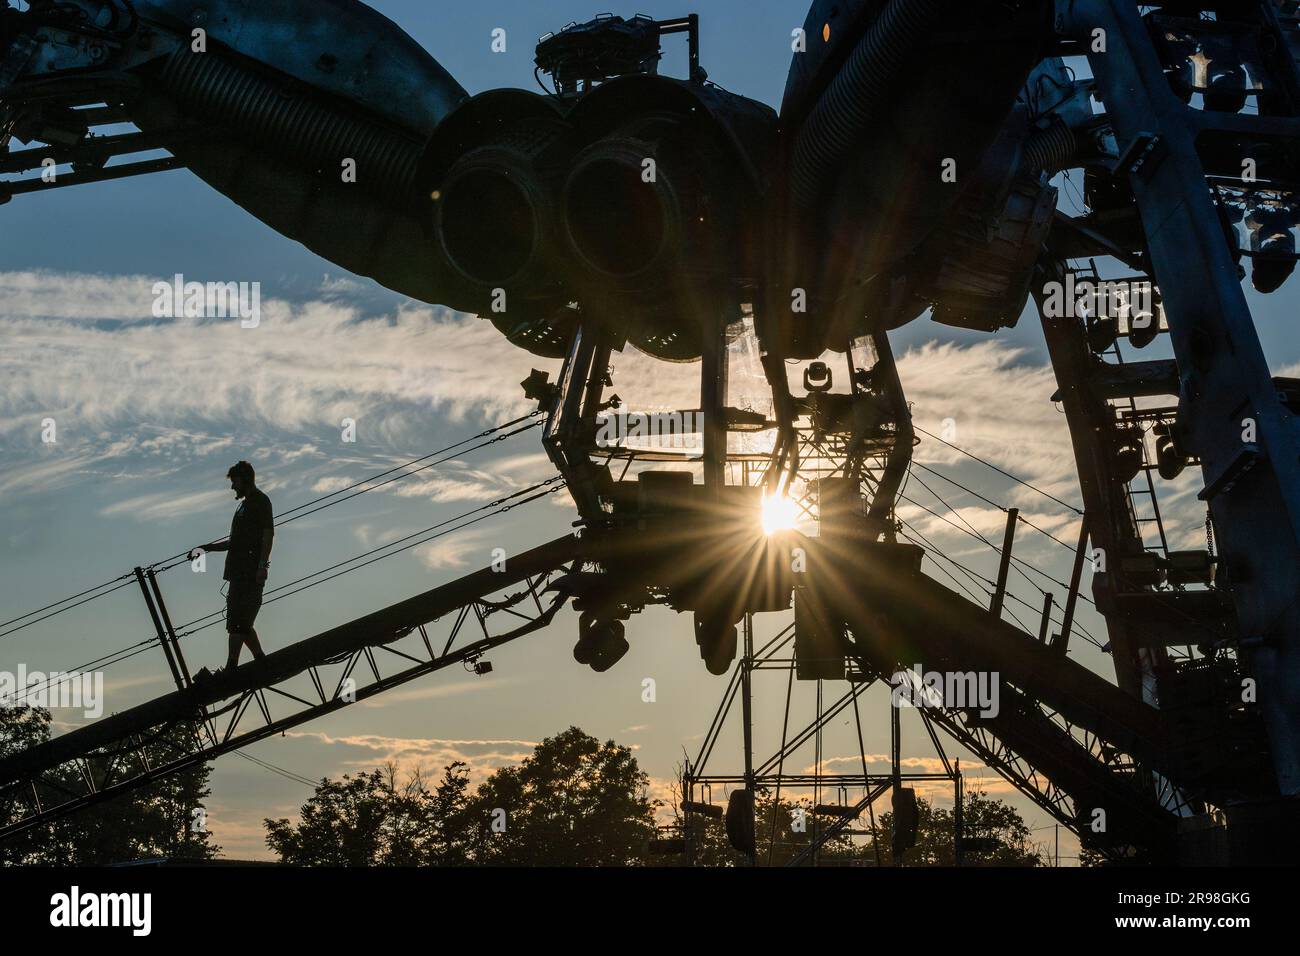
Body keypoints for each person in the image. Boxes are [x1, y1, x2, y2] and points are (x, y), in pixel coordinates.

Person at [192, 461, 274, 674]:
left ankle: (232, 666)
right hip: (238, 572)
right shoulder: (243, 506)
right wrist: (206, 548)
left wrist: (262, 566)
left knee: (239, 622)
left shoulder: (260, 502)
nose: (232, 487)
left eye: (235, 481)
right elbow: (234, 542)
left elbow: (268, 535)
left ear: (245, 479)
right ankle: (260, 660)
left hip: (249, 571)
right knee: (240, 622)